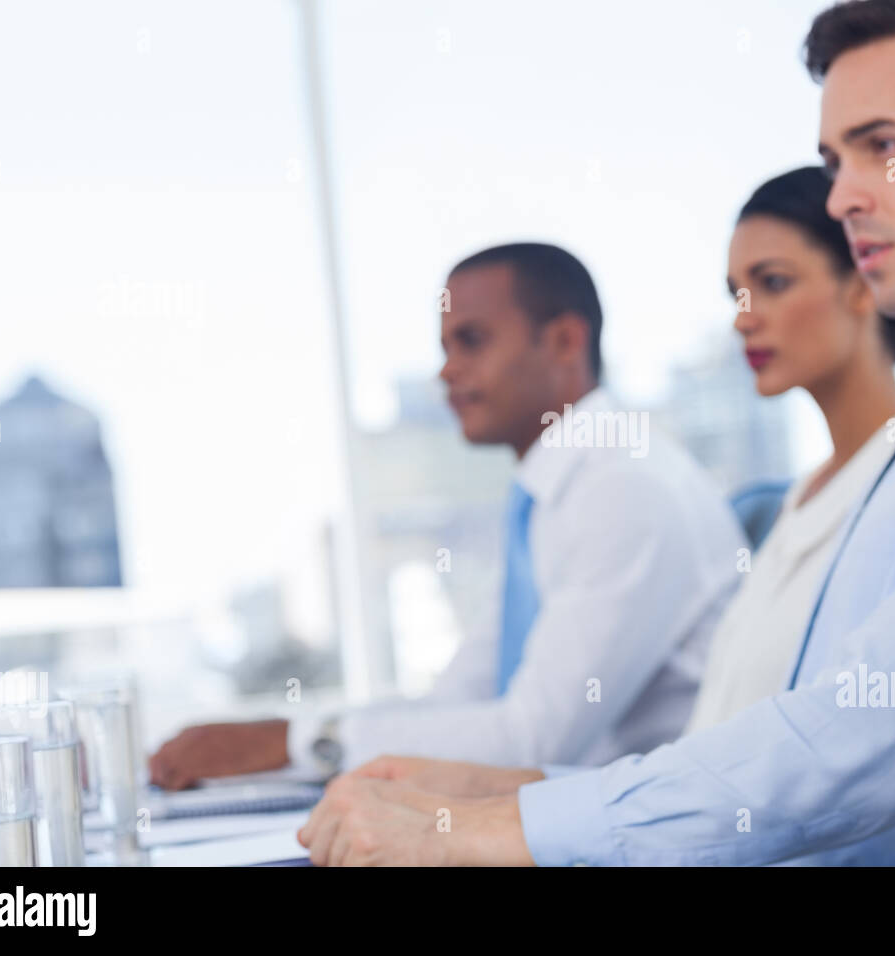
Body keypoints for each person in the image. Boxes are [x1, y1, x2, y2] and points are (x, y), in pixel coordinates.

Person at [295, 0, 895, 867]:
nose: (842, 196)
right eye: (834, 161)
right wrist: (506, 790)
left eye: (883, 146)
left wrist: (500, 827)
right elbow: (766, 739)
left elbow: (861, 750)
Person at [148, 242, 746, 789]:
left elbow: (531, 740)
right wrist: (296, 735)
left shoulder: (622, 487)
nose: (446, 371)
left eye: (472, 340)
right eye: (444, 346)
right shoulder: (550, 495)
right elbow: (459, 701)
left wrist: (295, 743)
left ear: (565, 341)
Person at [689, 165, 895, 732]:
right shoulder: (795, 500)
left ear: (864, 281)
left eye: (772, 283)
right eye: (736, 294)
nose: (743, 319)